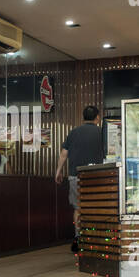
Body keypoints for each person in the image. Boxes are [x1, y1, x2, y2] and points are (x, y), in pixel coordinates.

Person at [55, 105, 104, 253]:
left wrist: (58, 171)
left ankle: (78, 237)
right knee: (96, 206)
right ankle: (96, 237)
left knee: (78, 207)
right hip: (97, 177)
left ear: (83, 118)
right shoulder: (101, 132)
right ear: (97, 117)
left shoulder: (73, 132)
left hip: (75, 176)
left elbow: (64, 154)